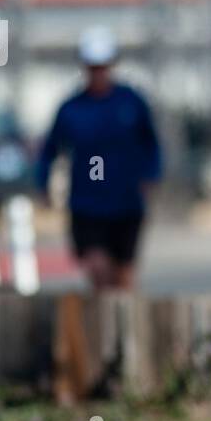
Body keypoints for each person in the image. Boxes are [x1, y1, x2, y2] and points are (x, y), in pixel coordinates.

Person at [36, 28, 162, 290]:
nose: (98, 73)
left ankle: (125, 327)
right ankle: (103, 324)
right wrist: (43, 183)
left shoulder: (131, 102)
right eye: (93, 67)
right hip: (87, 205)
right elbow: (50, 149)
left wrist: (151, 176)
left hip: (126, 203)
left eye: (103, 66)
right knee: (97, 268)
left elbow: (151, 143)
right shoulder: (72, 108)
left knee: (123, 274)